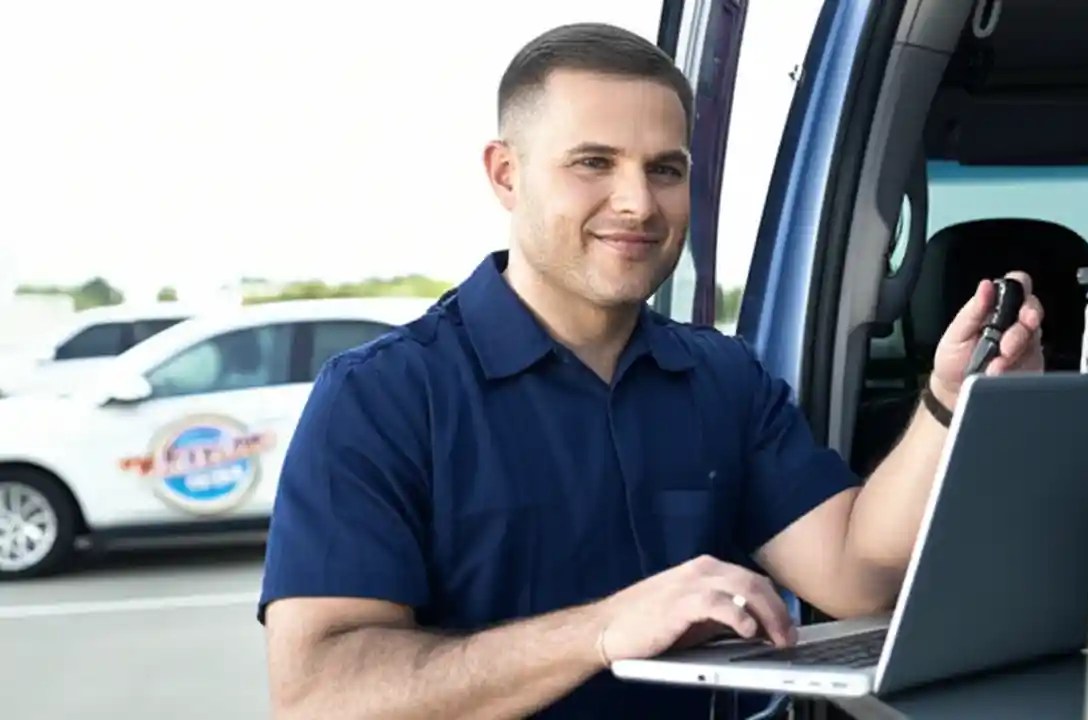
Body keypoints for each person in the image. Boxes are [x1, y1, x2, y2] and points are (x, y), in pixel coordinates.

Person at [257, 21, 1046, 720]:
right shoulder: (380, 396)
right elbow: (323, 695)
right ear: (505, 174)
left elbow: (855, 575)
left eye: (666, 169)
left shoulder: (722, 379)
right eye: (593, 163)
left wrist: (950, 401)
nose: (638, 202)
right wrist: (601, 631)